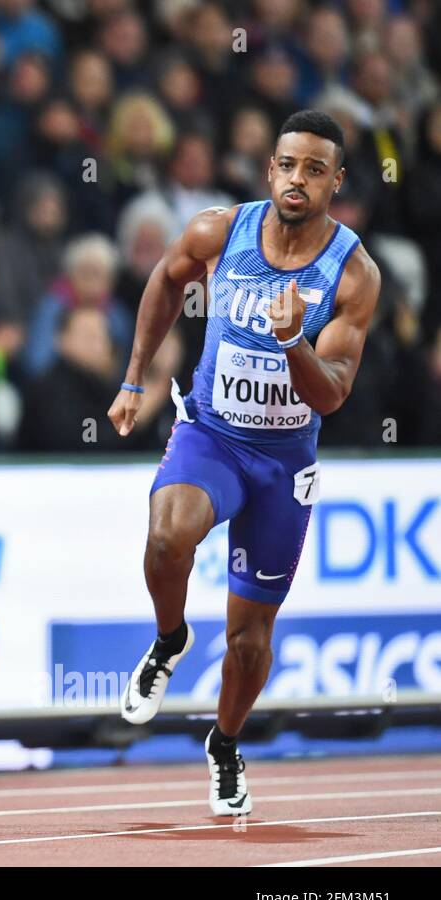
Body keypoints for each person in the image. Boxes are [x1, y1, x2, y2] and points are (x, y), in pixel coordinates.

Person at [107, 110, 381, 815]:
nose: (298, 180)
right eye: (288, 165)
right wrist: (135, 377)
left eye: (315, 170)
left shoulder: (353, 273)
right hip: (214, 437)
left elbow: (332, 398)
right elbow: (167, 280)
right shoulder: (219, 230)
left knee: (249, 637)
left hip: (282, 466)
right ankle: (169, 639)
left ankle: (225, 744)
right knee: (168, 536)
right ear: (271, 169)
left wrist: (295, 343)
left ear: (336, 183)